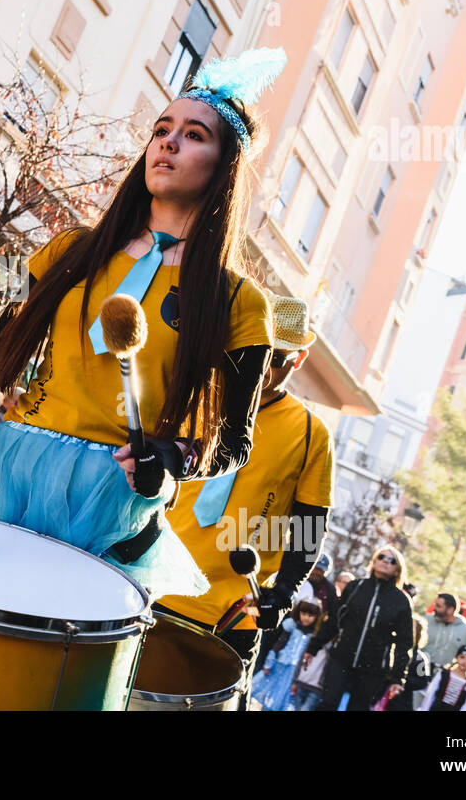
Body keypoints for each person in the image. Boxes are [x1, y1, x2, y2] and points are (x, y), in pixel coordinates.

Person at [0, 48, 289, 600]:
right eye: (162, 129)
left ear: (223, 166)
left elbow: (233, 442)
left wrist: (172, 459)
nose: (168, 142)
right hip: (12, 472)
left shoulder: (240, 303)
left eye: (194, 135)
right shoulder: (69, 251)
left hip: (113, 506)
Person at [163, 293, 331, 674]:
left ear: (299, 359)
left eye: (276, 358)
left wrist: (285, 590)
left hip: (234, 614)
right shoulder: (198, 397)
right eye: (257, 350)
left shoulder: (310, 433)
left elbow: (310, 524)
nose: (262, 368)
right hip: (154, 586)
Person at [303, 544, 413, 711]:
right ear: (374, 561)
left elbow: (404, 643)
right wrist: (313, 647)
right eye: (381, 557)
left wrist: (398, 678)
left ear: (397, 569)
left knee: (358, 708)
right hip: (341, 658)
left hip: (372, 668)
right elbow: (334, 620)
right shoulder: (356, 587)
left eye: (391, 560)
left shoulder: (401, 601)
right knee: (327, 704)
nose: (385, 562)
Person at [253, 598, 322, 711]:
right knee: (272, 694)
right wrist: (268, 664)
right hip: (281, 665)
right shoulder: (292, 626)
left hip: (296, 672)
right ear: (299, 612)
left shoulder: (315, 634)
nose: (306, 617)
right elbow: (279, 644)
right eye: (303, 613)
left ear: (316, 616)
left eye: (311, 615)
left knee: (285, 699)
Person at [421, 592, 466, 681]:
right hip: (419, 672)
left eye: (439, 606)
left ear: (450, 609)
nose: (434, 609)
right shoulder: (425, 620)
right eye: (435, 605)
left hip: (446, 679)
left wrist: (461, 676)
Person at [385, 614, 432, 711]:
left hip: (401, 702)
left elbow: (422, 682)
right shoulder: (392, 649)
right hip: (381, 697)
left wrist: (401, 680)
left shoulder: (419, 658)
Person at [417, 643, 466, 711]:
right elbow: (430, 695)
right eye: (462, 657)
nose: (464, 661)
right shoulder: (443, 674)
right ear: (457, 657)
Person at [295, 553, 338, 617]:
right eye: (315, 568)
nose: (317, 572)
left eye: (320, 570)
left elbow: (331, 612)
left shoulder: (329, 589)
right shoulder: (298, 579)